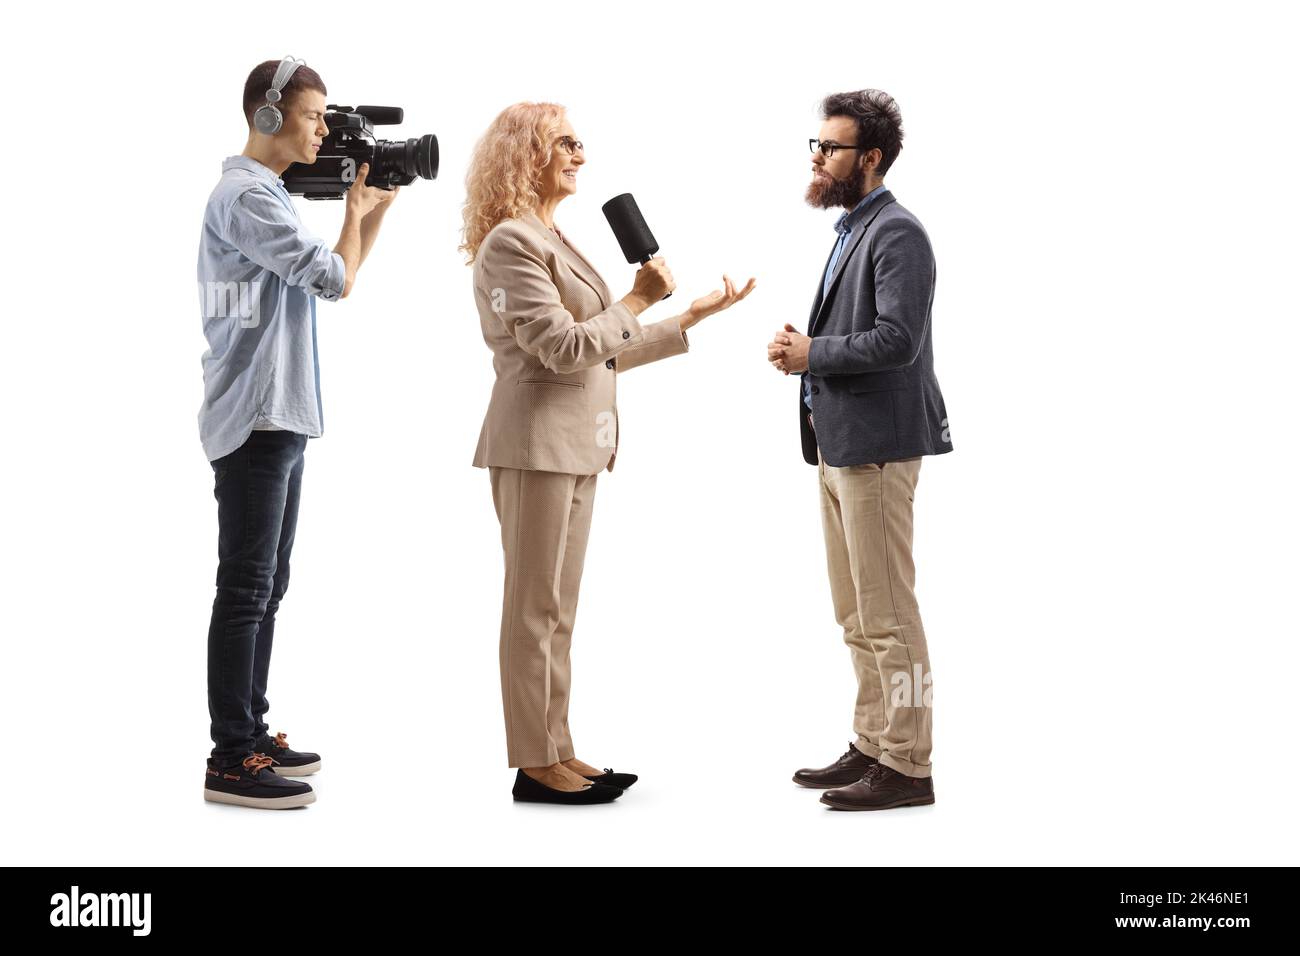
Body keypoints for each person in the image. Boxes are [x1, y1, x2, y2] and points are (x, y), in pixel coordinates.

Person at [463, 102, 755, 805]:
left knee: (557, 610)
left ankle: (558, 749)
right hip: (535, 445)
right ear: (524, 153)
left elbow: (603, 352)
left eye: (580, 142)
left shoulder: (552, 236)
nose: (580, 154)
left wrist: (685, 317)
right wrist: (636, 295)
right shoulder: (511, 243)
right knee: (532, 609)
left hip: (578, 447)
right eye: (564, 142)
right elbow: (561, 347)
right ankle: (535, 763)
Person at [197, 57, 397, 809]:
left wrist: (372, 209)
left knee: (266, 584)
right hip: (255, 413)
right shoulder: (248, 197)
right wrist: (352, 210)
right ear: (271, 116)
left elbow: (338, 278)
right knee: (246, 587)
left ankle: (250, 731)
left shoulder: (266, 197)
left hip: (277, 412)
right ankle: (230, 755)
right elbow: (332, 277)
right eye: (315, 117)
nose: (325, 130)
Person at [769, 89, 951, 811]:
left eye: (830, 147)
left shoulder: (898, 232)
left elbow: (898, 341)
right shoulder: (852, 227)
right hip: (839, 445)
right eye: (814, 145)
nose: (817, 157)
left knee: (889, 615)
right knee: (855, 613)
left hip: (877, 447)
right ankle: (874, 743)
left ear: (868, 158)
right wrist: (809, 356)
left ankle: (909, 765)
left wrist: (813, 351)